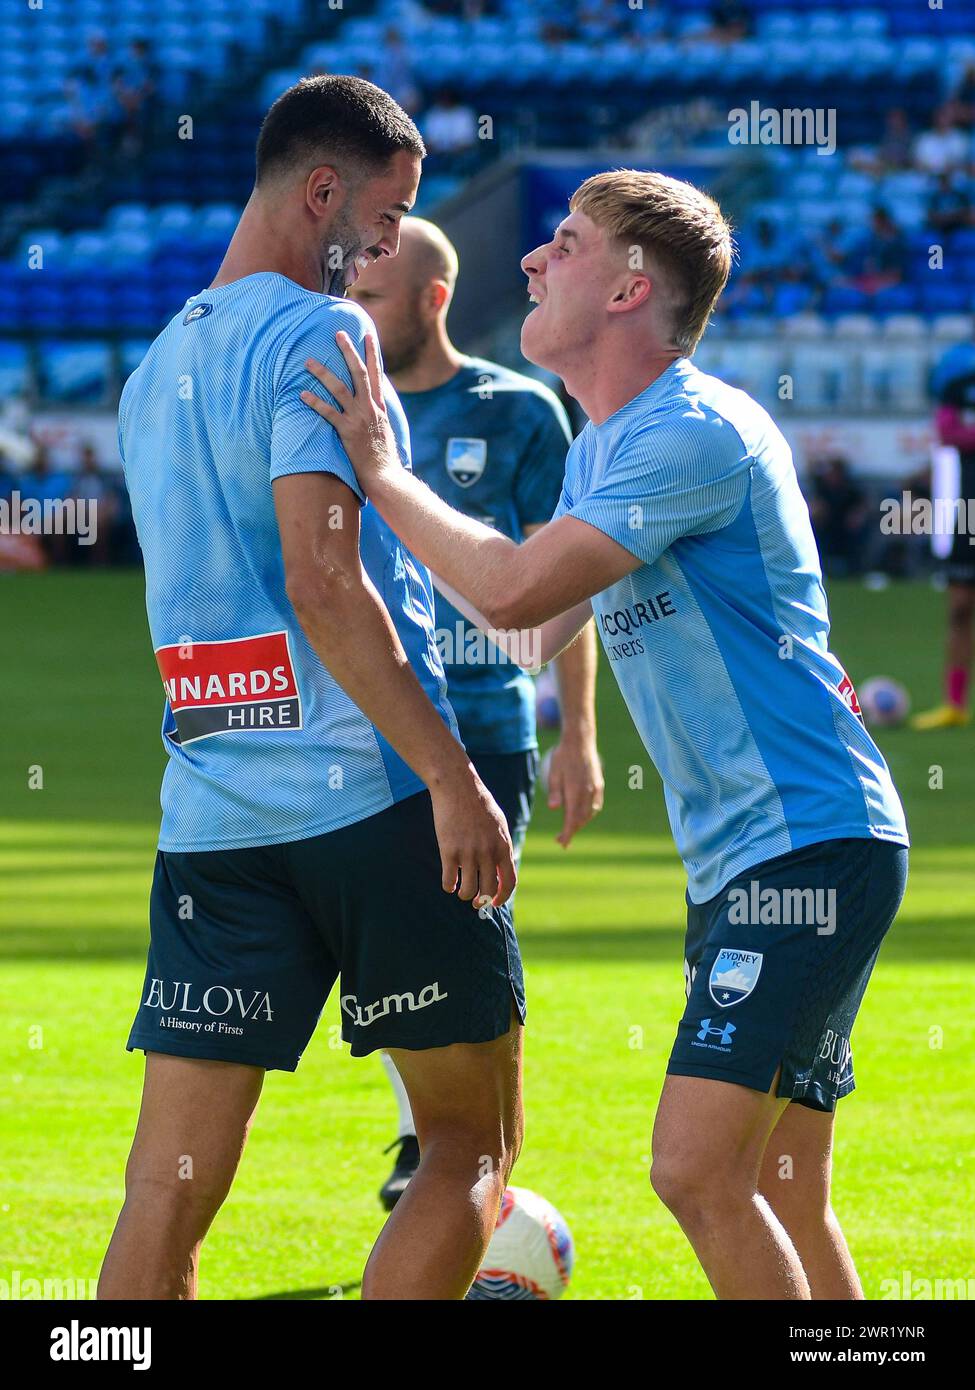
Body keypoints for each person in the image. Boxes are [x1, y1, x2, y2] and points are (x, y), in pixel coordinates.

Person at [300, 168, 910, 1301]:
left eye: (566, 244)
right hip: (767, 852)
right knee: (778, 1188)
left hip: (807, 845)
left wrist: (379, 470)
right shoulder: (607, 445)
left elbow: (524, 588)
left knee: (692, 1169)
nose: (531, 259)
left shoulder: (690, 430)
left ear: (633, 288)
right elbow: (524, 627)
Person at [98, 75, 525, 1303]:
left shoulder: (153, 367)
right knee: (469, 1144)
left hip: (214, 820)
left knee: (164, 1193)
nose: (391, 245)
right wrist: (454, 777)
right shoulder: (320, 334)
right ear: (323, 191)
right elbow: (325, 583)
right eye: (388, 215)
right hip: (372, 800)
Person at [348, 217, 603, 1207]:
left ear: (433, 298)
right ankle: (428, 1140)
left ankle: (443, 1156)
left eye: (372, 300)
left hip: (489, 730)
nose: (354, 319)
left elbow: (565, 592)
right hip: (363, 731)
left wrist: (577, 735)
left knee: (466, 937)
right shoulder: (334, 409)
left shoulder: (520, 412)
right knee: (386, 945)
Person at [912, 342, 975, 730]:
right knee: (960, 608)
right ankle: (953, 704)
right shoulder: (959, 384)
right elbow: (948, 433)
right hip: (965, 510)